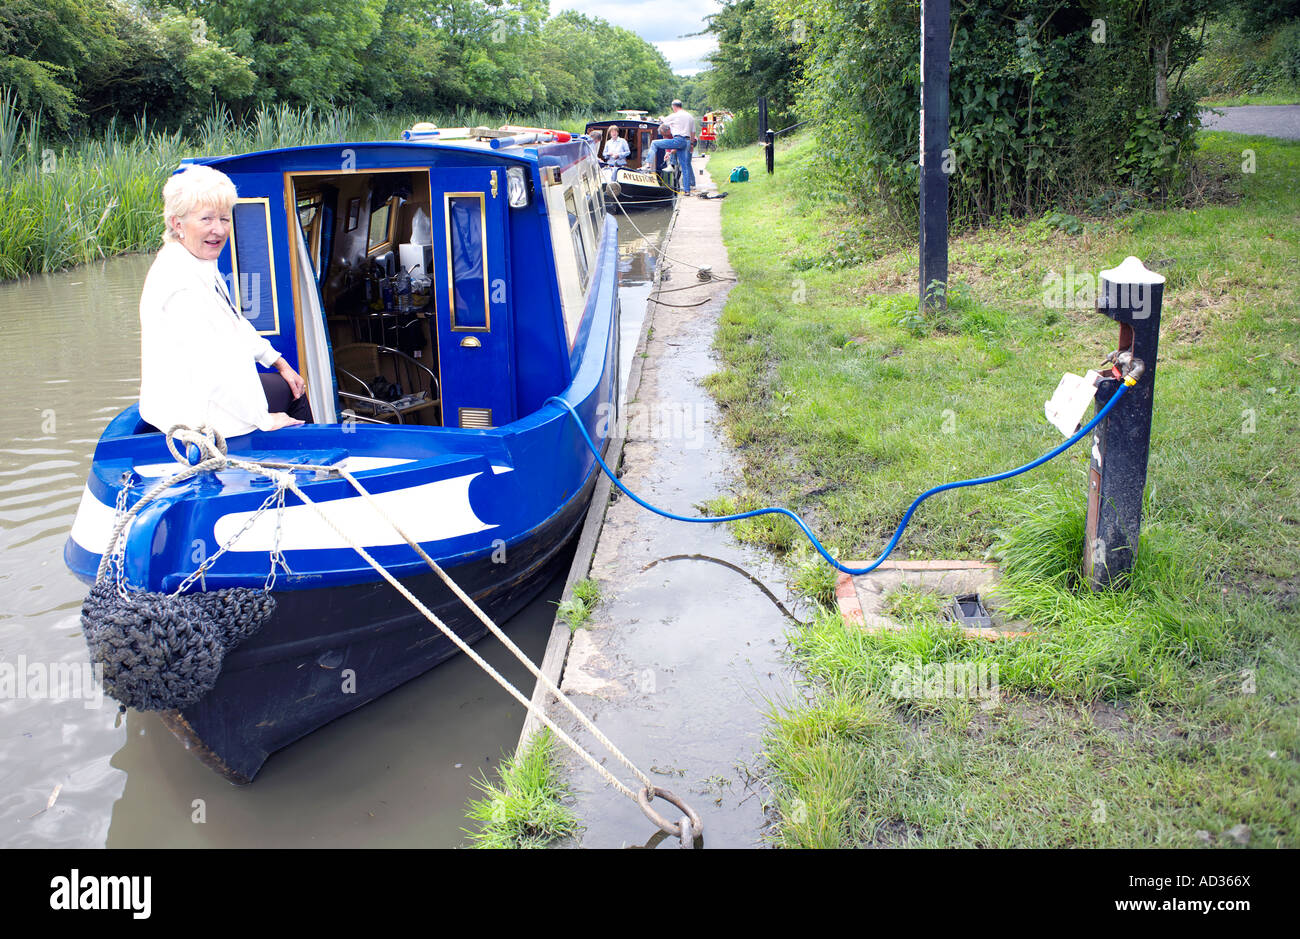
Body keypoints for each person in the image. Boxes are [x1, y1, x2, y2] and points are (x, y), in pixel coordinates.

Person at [139, 163, 311, 438]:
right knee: (293, 404)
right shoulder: (180, 285)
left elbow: (236, 323)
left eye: (224, 219)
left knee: (292, 385)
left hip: (211, 398)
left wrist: (279, 361)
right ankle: (305, 465)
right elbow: (209, 374)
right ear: (177, 224)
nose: (218, 230)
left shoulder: (198, 262)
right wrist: (263, 419)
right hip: (199, 416)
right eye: (206, 219)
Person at [642, 99, 696, 195]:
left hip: (678, 139)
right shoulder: (690, 117)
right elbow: (693, 132)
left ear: (674, 107)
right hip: (686, 141)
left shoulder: (675, 115)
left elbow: (664, 121)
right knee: (685, 167)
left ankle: (648, 165)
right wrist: (691, 144)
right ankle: (687, 190)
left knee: (654, 143)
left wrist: (661, 117)